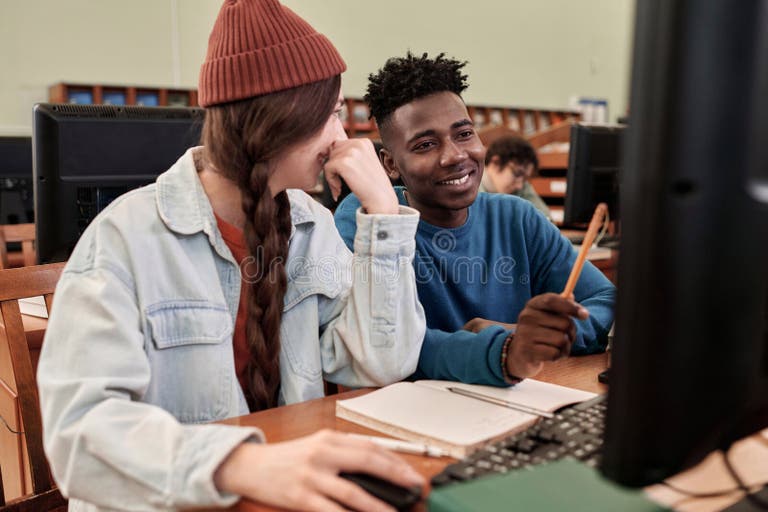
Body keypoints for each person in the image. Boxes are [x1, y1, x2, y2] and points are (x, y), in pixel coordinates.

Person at [37, 2, 427, 511]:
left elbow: (382, 363)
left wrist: (382, 212)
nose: (342, 138)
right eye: (331, 114)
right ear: (276, 119)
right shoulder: (124, 238)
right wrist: (240, 464)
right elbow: (78, 436)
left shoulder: (313, 227)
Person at [334, 52, 615, 386]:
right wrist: (502, 351)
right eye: (425, 144)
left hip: (511, 407)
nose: (456, 155)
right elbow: (383, 347)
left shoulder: (517, 218)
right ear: (391, 164)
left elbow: (605, 302)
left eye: (464, 134)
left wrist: (531, 336)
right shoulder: (369, 218)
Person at [480, 135, 552, 220]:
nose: (519, 185)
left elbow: (546, 220)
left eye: (525, 179)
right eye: (517, 174)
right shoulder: (471, 190)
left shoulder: (522, 188)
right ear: (496, 163)